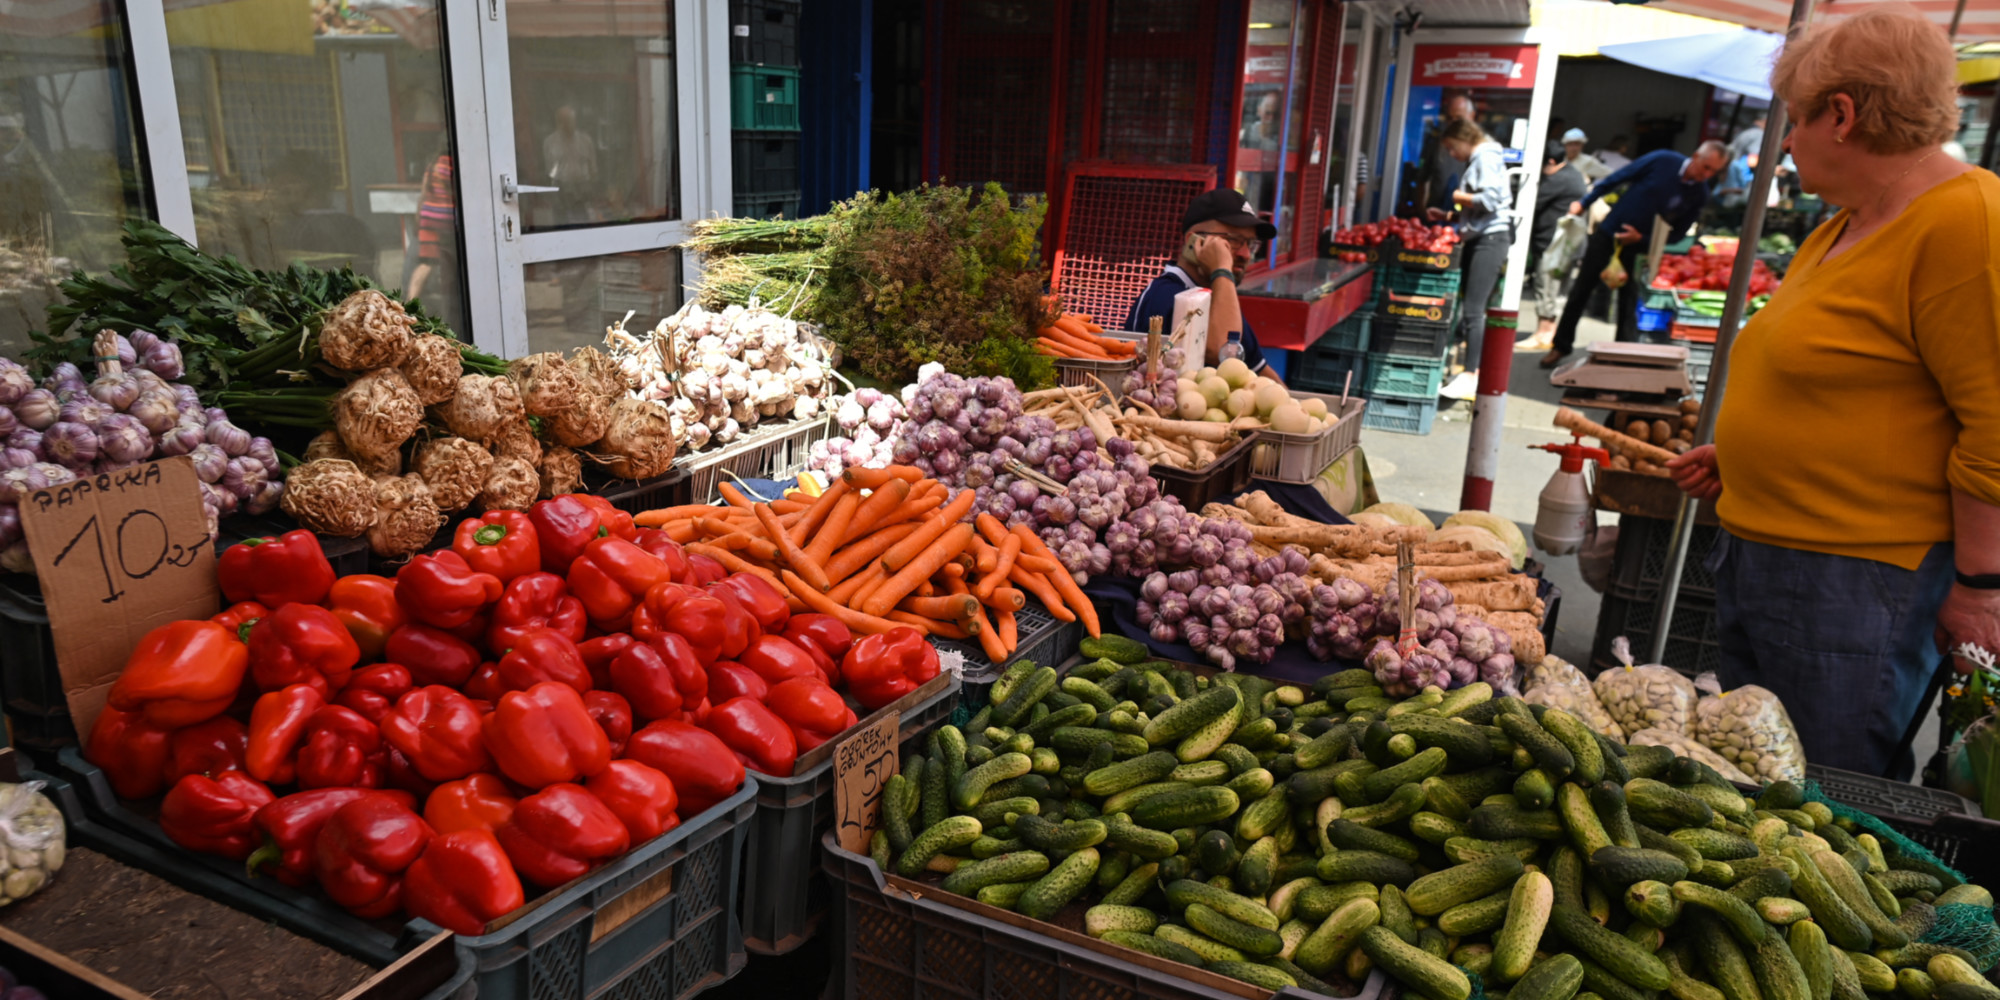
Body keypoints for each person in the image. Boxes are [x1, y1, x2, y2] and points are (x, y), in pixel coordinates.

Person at [1665, 7, 2000, 779]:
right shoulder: (1842, 226)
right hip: (1773, 558)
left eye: (1796, 121)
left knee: (1823, 803)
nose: (1787, 142)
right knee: (1759, 783)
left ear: (1842, 116)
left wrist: (1981, 589)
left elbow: (1993, 424)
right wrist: (1747, 459)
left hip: (1852, 585)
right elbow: (1853, 383)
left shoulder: (1964, 222)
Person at [1540, 140, 1730, 367]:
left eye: (1713, 172)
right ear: (1696, 156)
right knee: (1581, 290)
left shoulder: (1699, 194)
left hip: (1639, 249)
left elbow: (1677, 234)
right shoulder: (1663, 160)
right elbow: (1617, 178)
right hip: (1609, 234)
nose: (1706, 174)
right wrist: (1584, 203)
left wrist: (1643, 239)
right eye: (1706, 167)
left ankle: (1620, 358)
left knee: (1628, 304)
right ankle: (1560, 346)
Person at [1126, 189, 1283, 382]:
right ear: (1194, 241)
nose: (1245, 254)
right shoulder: (1165, 295)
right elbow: (1222, 351)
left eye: (1250, 244)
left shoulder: (1220, 297)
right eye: (1233, 240)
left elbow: (1262, 371)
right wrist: (1222, 269)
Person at [1427, 119, 1513, 400]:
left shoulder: (1484, 157)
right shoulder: (1486, 156)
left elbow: (1489, 201)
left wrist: (1457, 196)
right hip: (1486, 236)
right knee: (1473, 309)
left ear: (1465, 139)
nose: (1453, 155)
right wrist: (1449, 216)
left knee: (1474, 311)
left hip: (1490, 240)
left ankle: (1471, 375)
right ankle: (1470, 372)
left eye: (1452, 148)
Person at [1520, 142, 1588, 351]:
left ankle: (1544, 332)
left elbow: (1531, 201)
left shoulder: (1559, 179)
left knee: (1546, 286)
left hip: (1553, 247)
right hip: (1565, 247)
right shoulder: (1573, 173)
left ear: (1550, 162)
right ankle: (1548, 330)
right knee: (1555, 289)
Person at [1417, 93, 1476, 213]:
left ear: (1471, 116)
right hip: (1436, 213)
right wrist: (1421, 210)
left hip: (1466, 216)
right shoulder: (1436, 144)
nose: (1454, 123)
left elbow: (1489, 199)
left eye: (1458, 118)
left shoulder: (1480, 150)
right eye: (1450, 118)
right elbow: (1422, 179)